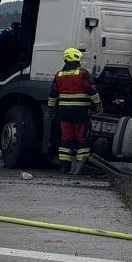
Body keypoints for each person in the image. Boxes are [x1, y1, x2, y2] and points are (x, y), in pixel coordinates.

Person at [46, 47, 103, 175]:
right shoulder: (83, 74)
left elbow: (52, 94)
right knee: (82, 138)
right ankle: (80, 167)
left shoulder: (59, 75)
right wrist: (98, 105)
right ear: (77, 59)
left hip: (64, 113)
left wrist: (50, 109)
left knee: (66, 138)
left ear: (65, 59)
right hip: (81, 113)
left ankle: (64, 167)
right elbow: (92, 91)